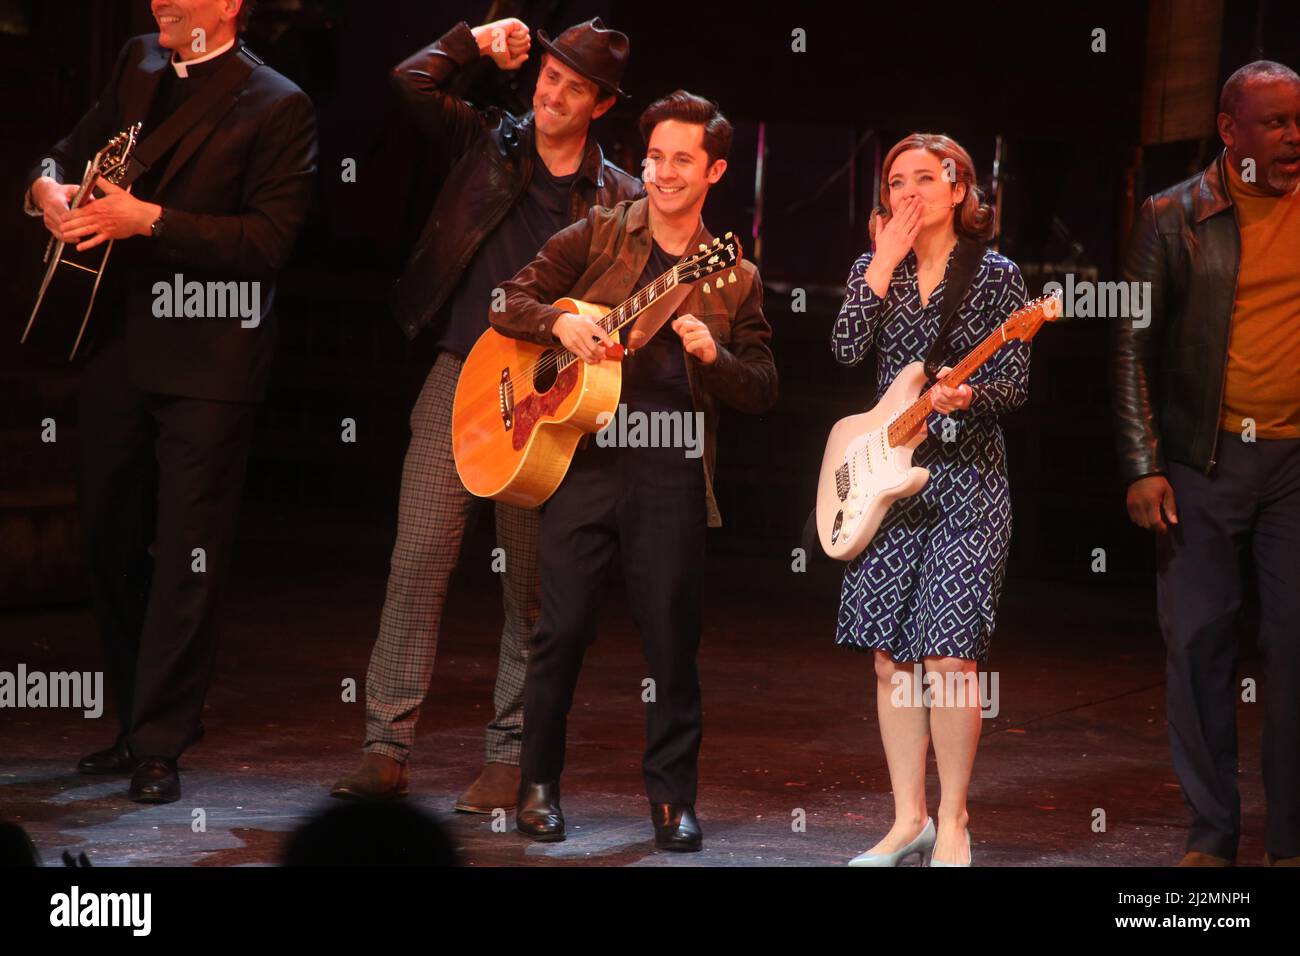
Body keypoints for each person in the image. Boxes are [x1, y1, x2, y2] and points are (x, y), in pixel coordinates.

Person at [328, 18, 642, 811]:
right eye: (548, 73)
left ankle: (509, 755)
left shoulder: (620, 198)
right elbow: (410, 82)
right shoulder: (488, 142)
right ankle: (384, 746)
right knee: (416, 563)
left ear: (601, 105)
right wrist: (474, 40)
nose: (551, 90)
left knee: (528, 588)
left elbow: (633, 312)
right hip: (459, 375)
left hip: (545, 400)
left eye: (573, 85)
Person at [23, 0, 317, 804]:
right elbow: (62, 152)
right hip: (118, 345)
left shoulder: (277, 103)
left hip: (210, 362)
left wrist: (149, 220)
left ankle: (160, 742)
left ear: (229, 5)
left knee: (187, 554)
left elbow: (268, 242)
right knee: (109, 537)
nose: (162, 0)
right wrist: (46, 191)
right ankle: (130, 724)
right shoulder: (136, 63)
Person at [491, 91, 777, 850]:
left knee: (671, 638)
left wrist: (714, 358)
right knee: (561, 630)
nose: (663, 172)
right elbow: (504, 300)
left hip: (671, 464)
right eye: (654, 157)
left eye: (682, 159)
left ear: (714, 170)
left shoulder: (731, 275)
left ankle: (673, 801)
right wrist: (560, 320)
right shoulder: (600, 232)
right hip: (581, 454)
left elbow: (763, 386)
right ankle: (538, 785)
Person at [1114, 60, 1300, 867]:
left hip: (1297, 465)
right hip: (1203, 458)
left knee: (1295, 651)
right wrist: (1142, 463)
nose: (1295, 136)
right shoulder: (1172, 216)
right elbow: (1129, 346)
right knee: (1198, 646)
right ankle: (1212, 835)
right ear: (1231, 130)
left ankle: (1290, 839)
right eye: (1277, 122)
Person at [830, 133, 1029, 866]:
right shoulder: (870, 269)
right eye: (894, 180)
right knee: (890, 660)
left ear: (958, 190)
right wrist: (880, 263)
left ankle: (952, 821)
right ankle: (905, 819)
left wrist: (969, 393)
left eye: (924, 178)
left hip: (966, 481)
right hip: (889, 477)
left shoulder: (996, 274)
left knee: (948, 657)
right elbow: (848, 347)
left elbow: (1015, 382)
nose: (907, 191)